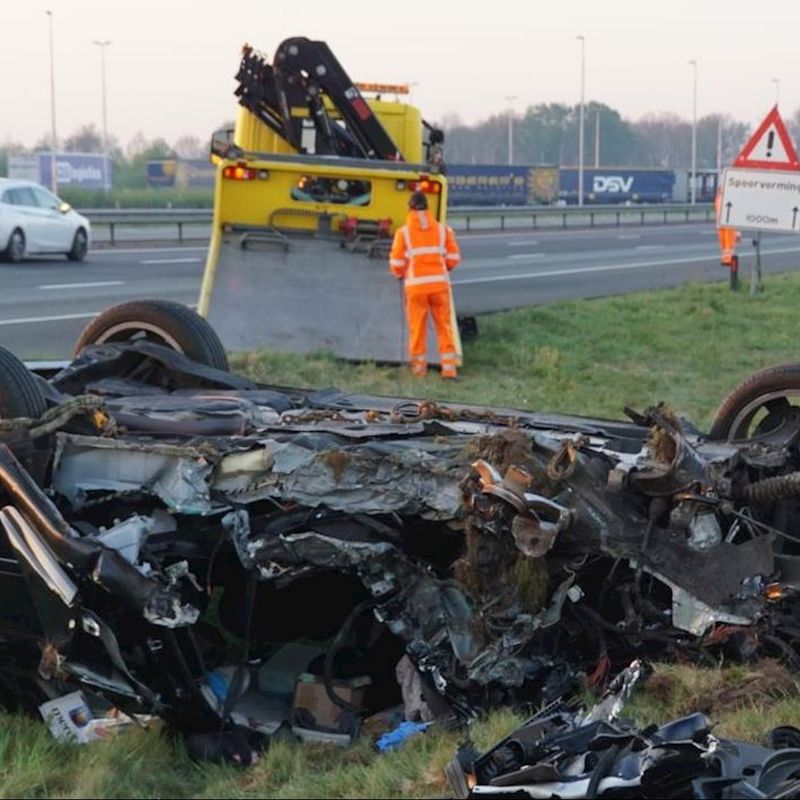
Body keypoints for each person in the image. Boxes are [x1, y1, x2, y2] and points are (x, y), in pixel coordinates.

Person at [389, 191, 462, 378]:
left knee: (417, 328)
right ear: (427, 208)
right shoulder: (443, 230)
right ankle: (449, 369)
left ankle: (419, 368)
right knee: (444, 327)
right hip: (439, 287)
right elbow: (453, 259)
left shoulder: (403, 233)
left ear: (409, 208)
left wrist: (400, 273)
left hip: (416, 289)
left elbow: (396, 264)